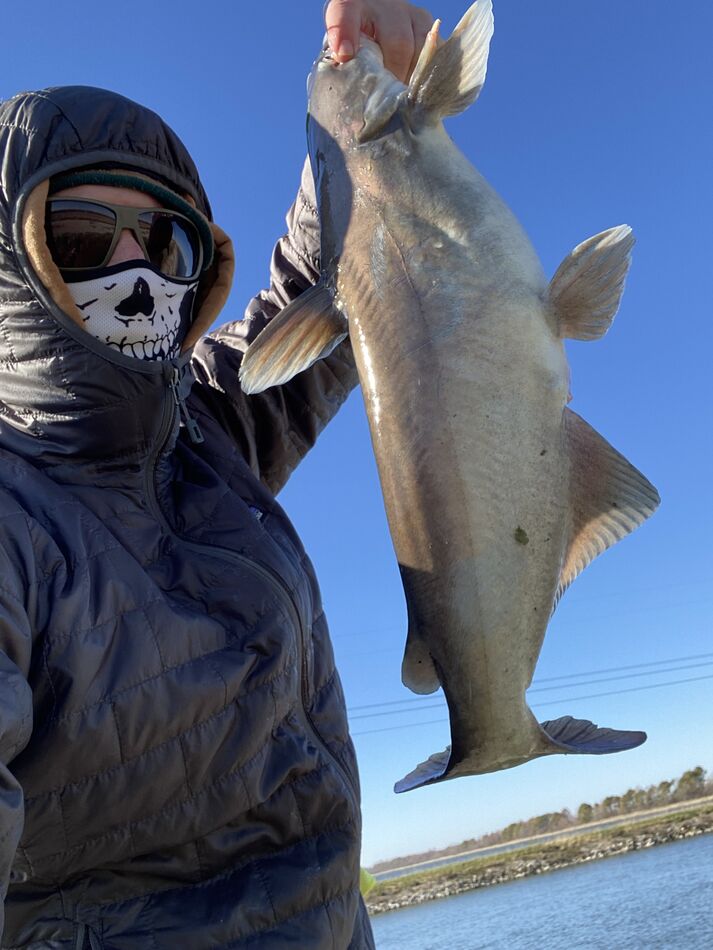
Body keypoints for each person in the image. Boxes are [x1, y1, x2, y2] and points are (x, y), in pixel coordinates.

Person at [0, 1, 433, 947]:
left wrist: (362, 104)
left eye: (166, 244)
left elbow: (317, 295)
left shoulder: (206, 436)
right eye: (81, 237)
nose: (135, 269)